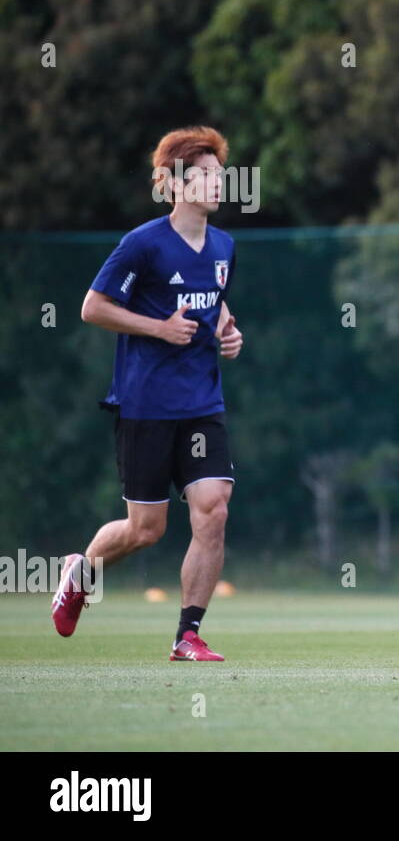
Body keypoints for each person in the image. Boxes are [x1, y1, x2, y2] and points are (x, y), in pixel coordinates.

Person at [51, 126, 243, 661]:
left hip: (202, 403)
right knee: (145, 529)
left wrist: (229, 332)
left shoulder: (224, 246)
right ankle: (81, 572)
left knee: (214, 508)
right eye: (202, 175)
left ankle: (188, 635)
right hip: (146, 404)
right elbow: (93, 307)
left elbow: (216, 306)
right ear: (173, 184)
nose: (215, 183)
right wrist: (158, 328)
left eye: (218, 174)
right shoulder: (143, 244)